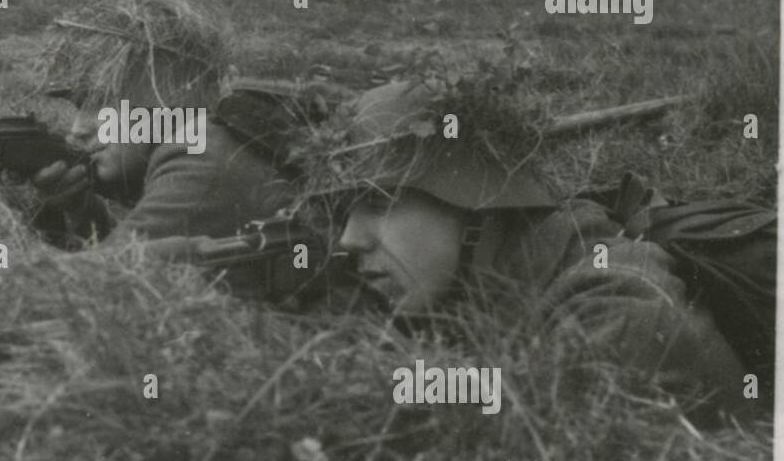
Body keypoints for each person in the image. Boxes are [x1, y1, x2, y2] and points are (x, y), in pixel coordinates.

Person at [301, 80, 752, 418]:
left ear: (476, 205)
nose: (349, 239)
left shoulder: (618, 308)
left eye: (380, 202)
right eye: (344, 212)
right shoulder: (481, 293)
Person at [0, 0, 299, 258]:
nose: (78, 129)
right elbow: (147, 258)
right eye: (78, 105)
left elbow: (96, 291)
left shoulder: (201, 156)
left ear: (167, 98)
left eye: (102, 104)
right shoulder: (204, 142)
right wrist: (83, 214)